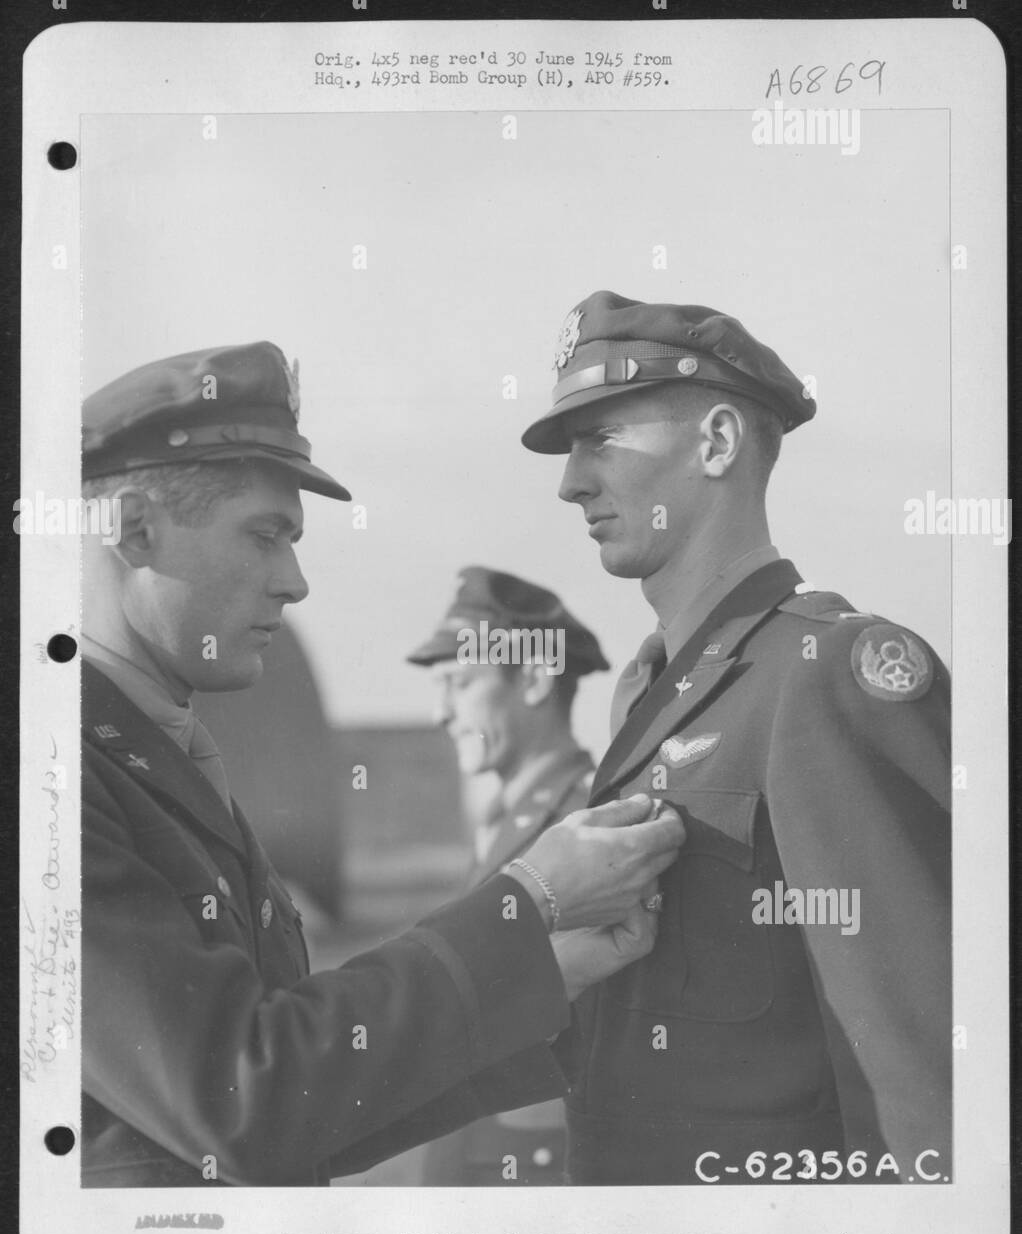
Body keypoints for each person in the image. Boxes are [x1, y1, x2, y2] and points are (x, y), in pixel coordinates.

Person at [79, 340, 685, 1187]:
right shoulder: (52, 781)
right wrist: (528, 902)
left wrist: (549, 978)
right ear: (135, 529)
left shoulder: (155, 757)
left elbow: (297, 1118)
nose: (295, 583)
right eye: (266, 535)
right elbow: (239, 1098)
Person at [520, 291, 951, 1186]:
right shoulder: (646, 692)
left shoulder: (826, 675)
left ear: (716, 444)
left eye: (602, 437)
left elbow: (919, 1061)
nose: (571, 482)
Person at [407, 565, 608, 1183]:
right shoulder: (505, 819)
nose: (442, 713)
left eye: (461, 683)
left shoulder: (582, 827)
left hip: (530, 1163)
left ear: (534, 678)